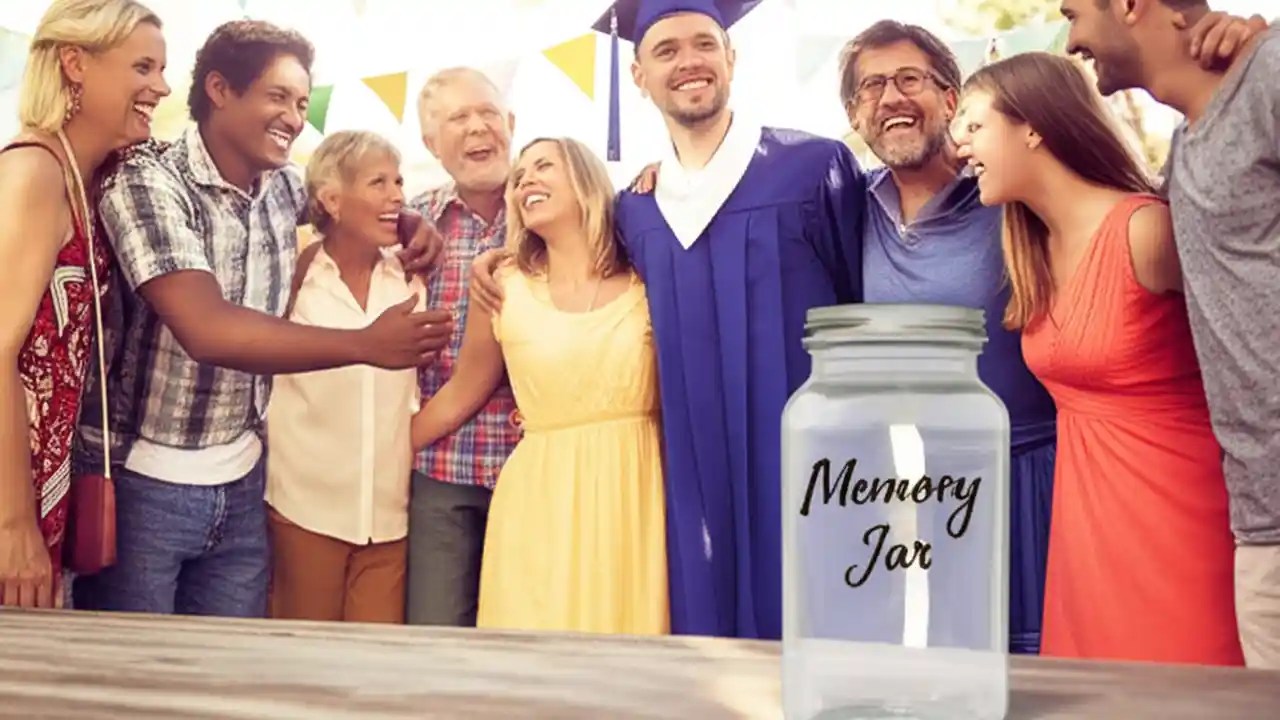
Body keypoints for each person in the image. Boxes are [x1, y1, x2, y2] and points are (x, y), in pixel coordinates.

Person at [472, 0, 865, 641]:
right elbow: (575, 263)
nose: (689, 62)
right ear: (638, 77)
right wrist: (495, 259)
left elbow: (857, 299)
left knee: (814, 615)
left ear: (731, 58)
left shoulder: (813, 168)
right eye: (666, 50)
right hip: (686, 468)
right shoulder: (641, 211)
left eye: (704, 44)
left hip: (804, 452)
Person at [71, 20, 451, 619]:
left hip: (244, 486)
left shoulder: (282, 187)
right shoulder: (146, 178)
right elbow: (206, 327)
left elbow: (342, 198)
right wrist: (364, 343)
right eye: (278, 97)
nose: (295, 118)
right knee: (134, 681)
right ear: (220, 90)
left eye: (302, 103)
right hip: (144, 484)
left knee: (230, 682)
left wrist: (408, 223)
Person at [956, 51, 1242, 666]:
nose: (960, 148)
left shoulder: (1147, 231)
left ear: (1031, 125)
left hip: (1180, 524)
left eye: (974, 127)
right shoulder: (1030, 251)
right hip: (1086, 532)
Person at [1059, 0, 1279, 669]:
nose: (1070, 42)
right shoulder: (1185, 149)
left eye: (1074, 15)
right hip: (1261, 520)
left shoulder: (1269, 74)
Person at [835, 20, 1058, 656]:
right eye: (871, 87)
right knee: (946, 668)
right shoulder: (849, 203)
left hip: (1029, 469)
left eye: (911, 80)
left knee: (1045, 669)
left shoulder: (1004, 191)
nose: (891, 98)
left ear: (951, 98)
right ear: (856, 112)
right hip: (918, 490)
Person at [412, 137, 668, 635]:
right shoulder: (501, 284)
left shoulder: (648, 275)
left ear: (586, 180)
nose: (525, 179)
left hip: (636, 491)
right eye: (520, 174)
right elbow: (464, 390)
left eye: (544, 166)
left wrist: (665, 176)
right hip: (539, 497)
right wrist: (383, 453)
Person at [0, 0, 167, 610]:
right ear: (75, 63)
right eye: (143, 67)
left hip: (48, 480)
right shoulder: (32, 171)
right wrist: (12, 522)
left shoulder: (94, 173)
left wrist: (408, 221)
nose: (162, 87)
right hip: (11, 488)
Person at [265, 130, 422, 625]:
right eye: (379, 182)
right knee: (303, 670)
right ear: (332, 199)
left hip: (390, 518)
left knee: (374, 675)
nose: (397, 194)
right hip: (305, 511)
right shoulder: (292, 277)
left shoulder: (411, 279)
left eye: (398, 181)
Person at [404, 67, 521, 627]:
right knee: (436, 630)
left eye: (488, 114)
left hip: (533, 466)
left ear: (511, 125)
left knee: (526, 632)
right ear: (431, 143)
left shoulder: (554, 208)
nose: (478, 128)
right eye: (458, 118)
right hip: (441, 465)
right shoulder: (411, 223)